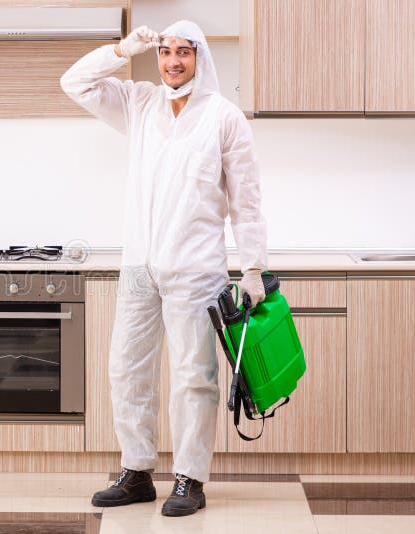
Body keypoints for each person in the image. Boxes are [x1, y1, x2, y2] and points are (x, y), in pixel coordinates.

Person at [60, 20, 268, 517]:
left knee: (194, 377)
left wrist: (254, 267)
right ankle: (136, 472)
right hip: (138, 265)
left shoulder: (224, 117)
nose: (173, 61)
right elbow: (75, 83)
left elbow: (247, 199)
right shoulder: (139, 103)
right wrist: (121, 49)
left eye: (184, 53)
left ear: (201, 58)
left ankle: (190, 479)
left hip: (196, 270)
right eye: (166, 52)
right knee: (127, 370)